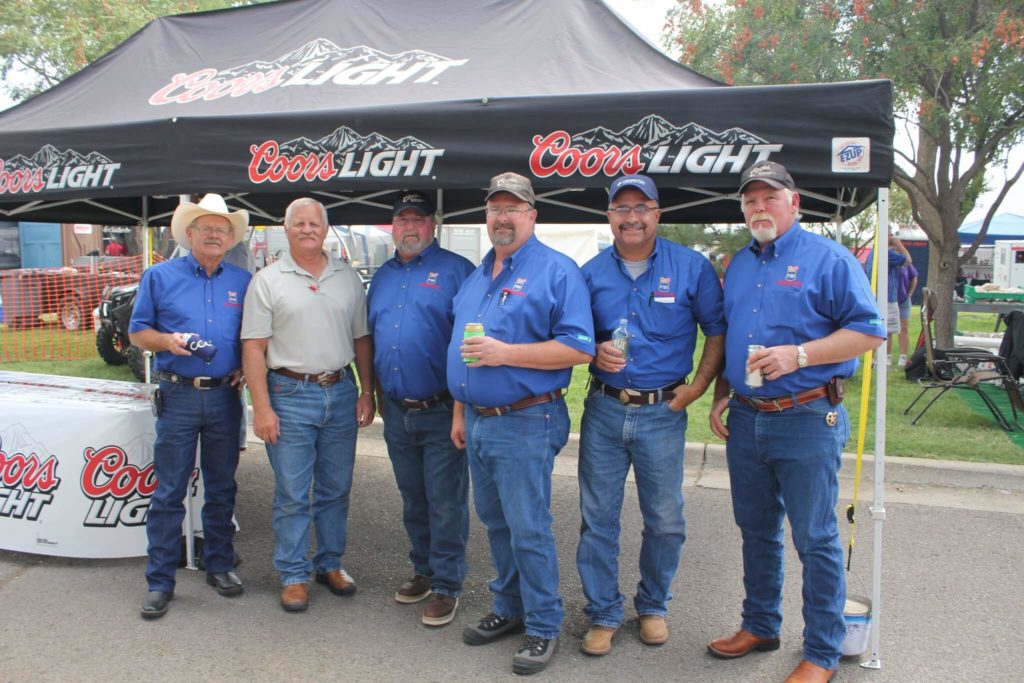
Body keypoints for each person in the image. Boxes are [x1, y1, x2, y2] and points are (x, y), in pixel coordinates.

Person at [706, 161, 885, 683]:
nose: (759, 208)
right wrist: (721, 395)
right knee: (755, 530)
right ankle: (759, 624)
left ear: (794, 203)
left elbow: (870, 331)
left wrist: (800, 355)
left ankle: (823, 652)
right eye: (750, 200)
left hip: (808, 414)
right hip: (746, 416)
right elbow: (733, 334)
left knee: (815, 537)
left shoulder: (829, 258)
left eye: (770, 198)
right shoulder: (739, 263)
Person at [448, 172, 595, 675]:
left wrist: (505, 353)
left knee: (528, 527)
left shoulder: (558, 271)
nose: (502, 218)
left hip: (527, 419)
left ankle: (543, 625)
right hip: (480, 420)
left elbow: (578, 346)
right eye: (495, 209)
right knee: (495, 523)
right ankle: (509, 608)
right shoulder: (477, 274)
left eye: (513, 209)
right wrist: (460, 408)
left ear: (533, 216)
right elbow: (462, 354)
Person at [576, 174, 726, 656]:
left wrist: (698, 388)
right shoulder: (590, 272)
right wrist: (593, 351)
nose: (632, 217)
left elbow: (717, 331)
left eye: (642, 207)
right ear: (610, 217)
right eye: (622, 208)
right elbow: (570, 335)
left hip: (664, 411)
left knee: (665, 519)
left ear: (658, 214)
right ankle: (603, 613)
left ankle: (653, 606)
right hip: (603, 408)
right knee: (597, 519)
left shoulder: (691, 267)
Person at [241, 197, 375, 613]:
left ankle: (330, 563)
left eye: (314, 223)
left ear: (325, 228)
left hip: (339, 393)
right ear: (286, 228)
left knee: (336, 490)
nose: (306, 229)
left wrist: (366, 391)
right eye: (298, 223)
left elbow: (361, 340)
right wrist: (260, 408)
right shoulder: (267, 280)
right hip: (289, 394)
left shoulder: (347, 277)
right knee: (293, 494)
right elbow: (253, 348)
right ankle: (293, 574)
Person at [128, 193, 252, 619]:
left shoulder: (242, 280)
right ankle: (160, 581)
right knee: (169, 492)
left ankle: (219, 565)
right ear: (190, 233)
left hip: (225, 396)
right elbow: (137, 332)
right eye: (206, 227)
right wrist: (167, 342)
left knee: (222, 488)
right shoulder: (159, 277)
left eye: (222, 229)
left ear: (230, 237)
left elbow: (253, 338)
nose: (215, 234)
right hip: (178, 394)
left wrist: (244, 369)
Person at [367, 191, 474, 627]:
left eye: (418, 218)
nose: (409, 227)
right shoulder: (382, 276)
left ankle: (448, 584)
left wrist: (460, 410)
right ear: (392, 227)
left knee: (446, 501)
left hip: (441, 407)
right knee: (413, 498)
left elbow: (468, 344)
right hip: (396, 409)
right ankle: (424, 571)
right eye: (401, 219)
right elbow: (371, 338)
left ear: (433, 224)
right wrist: (373, 395)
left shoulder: (457, 271)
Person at [864, 234, 909, 365]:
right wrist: (898, 244)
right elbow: (908, 260)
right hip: (887, 298)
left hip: (873, 297)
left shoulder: (872, 253)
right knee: (887, 331)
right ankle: (885, 359)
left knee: (875, 328)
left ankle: (872, 359)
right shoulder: (887, 253)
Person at [895, 257, 919, 368]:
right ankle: (886, 357)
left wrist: (909, 294)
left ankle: (903, 356)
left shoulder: (906, 262)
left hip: (903, 300)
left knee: (904, 328)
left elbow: (914, 278)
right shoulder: (886, 259)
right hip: (888, 300)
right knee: (887, 330)